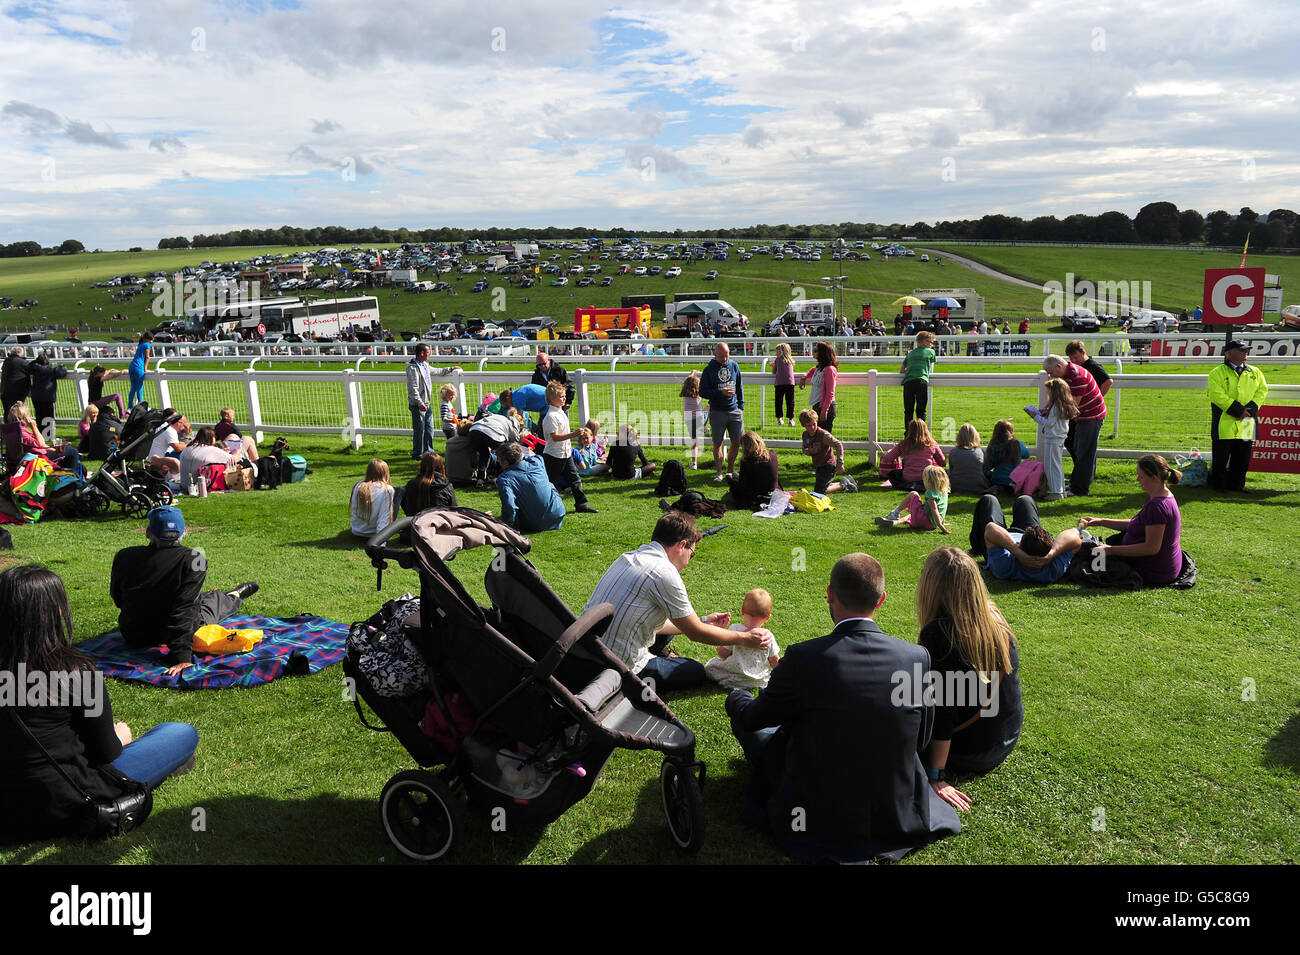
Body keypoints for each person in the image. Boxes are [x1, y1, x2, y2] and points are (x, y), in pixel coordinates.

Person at [725, 553, 961, 862]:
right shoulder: (915, 657)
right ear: (881, 600)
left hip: (818, 808)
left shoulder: (804, 658)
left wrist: (736, 697)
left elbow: (756, 718)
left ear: (830, 595)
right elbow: (923, 735)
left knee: (759, 730)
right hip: (894, 805)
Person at [0, 565, 199, 842]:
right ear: (57, 611)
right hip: (71, 802)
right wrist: (120, 737)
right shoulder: (77, 673)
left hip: (7, 811)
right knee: (180, 733)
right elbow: (105, 753)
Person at [585, 511, 771, 692]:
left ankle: (657, 654)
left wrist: (704, 620)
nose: (689, 562)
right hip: (616, 666)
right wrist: (746, 639)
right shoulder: (664, 573)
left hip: (587, 650)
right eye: (691, 555)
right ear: (682, 545)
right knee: (695, 669)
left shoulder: (628, 557)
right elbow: (696, 633)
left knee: (672, 624)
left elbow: (680, 623)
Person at [916, 547, 1023, 801]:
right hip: (1006, 737)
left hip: (972, 752)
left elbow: (943, 713)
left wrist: (935, 776)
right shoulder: (993, 618)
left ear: (932, 587)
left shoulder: (939, 636)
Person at [110, 506, 260, 676]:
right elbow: (185, 607)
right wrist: (181, 656)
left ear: (148, 532)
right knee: (211, 604)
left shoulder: (124, 556)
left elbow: (118, 598)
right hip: (167, 633)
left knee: (200, 599)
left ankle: (225, 596)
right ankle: (234, 595)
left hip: (134, 634)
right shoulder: (194, 558)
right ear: (183, 533)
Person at [1079, 455, 1184, 586]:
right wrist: (1101, 521)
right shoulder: (1164, 496)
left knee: (1087, 560)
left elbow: (1151, 548)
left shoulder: (1157, 506)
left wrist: (1111, 550)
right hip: (1164, 567)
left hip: (1156, 571)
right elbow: (1138, 524)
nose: (1137, 479)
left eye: (1141, 476)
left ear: (1154, 478)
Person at [970, 493, 1082, 582]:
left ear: (1020, 544)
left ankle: (976, 548)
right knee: (1025, 500)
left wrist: (1017, 552)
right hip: (1030, 537)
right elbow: (1075, 534)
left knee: (989, 500)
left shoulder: (1005, 566)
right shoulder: (1052, 570)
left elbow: (990, 529)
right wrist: (1052, 553)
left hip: (999, 540)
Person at [1207, 340, 1268, 493]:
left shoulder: (1255, 371)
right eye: (1242, 350)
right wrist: (1238, 411)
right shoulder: (1217, 372)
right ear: (1229, 353)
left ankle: (1237, 485)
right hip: (1225, 420)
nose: (1245, 352)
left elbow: (1262, 390)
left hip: (1248, 419)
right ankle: (1218, 485)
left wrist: (1252, 408)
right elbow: (1216, 396)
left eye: (1246, 350)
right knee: (1221, 455)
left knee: (1243, 456)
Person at [1043, 354, 1105, 495]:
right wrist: (1047, 409)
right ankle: (1078, 483)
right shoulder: (1066, 375)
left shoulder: (1077, 377)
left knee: (1084, 453)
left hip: (1091, 415)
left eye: (1051, 373)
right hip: (1082, 415)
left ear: (1059, 367)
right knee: (1078, 449)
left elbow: (1071, 406)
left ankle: (1079, 489)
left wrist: (1049, 414)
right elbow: (1059, 397)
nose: (1051, 377)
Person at [705, 587, 781, 690]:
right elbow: (774, 661)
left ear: (742, 611)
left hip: (733, 679)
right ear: (767, 617)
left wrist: (721, 645)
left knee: (710, 666)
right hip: (759, 681)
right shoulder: (768, 636)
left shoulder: (735, 629)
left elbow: (723, 653)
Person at [541, 380, 597, 514]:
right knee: (550, 482)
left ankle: (582, 504)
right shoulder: (550, 416)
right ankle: (546, 507)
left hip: (566, 453)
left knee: (575, 479)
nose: (564, 398)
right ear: (552, 399)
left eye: (564, 395)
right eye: (561, 396)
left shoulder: (561, 412)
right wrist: (573, 434)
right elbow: (554, 437)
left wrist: (574, 434)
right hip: (554, 455)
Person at [1024, 378, 1078, 501]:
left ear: (1054, 392)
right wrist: (1045, 412)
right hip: (1058, 437)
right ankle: (1061, 490)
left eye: (1049, 391)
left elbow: (1049, 423)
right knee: (1056, 465)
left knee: (1051, 466)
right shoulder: (1063, 404)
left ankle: (1056, 492)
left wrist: (1035, 416)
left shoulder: (1056, 406)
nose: (1048, 393)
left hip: (1053, 437)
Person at [494, 442, 565, 532]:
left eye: (499, 460)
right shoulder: (537, 461)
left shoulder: (505, 478)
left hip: (534, 524)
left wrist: (506, 527)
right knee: (550, 485)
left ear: (505, 461)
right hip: (557, 515)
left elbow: (509, 505)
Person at [405, 343, 459, 460]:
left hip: (426, 403)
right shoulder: (413, 368)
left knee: (429, 428)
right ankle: (418, 454)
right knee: (420, 430)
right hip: (418, 404)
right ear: (422, 353)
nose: (430, 354)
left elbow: (437, 371)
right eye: (428, 352)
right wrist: (420, 403)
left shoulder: (424, 365)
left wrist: (451, 369)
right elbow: (412, 388)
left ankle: (429, 452)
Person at [700, 342, 744, 482]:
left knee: (736, 442)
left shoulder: (734, 365)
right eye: (721, 356)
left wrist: (740, 407)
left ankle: (730, 471)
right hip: (717, 411)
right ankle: (719, 472)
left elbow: (739, 386)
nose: (724, 359)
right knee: (717, 442)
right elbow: (702, 392)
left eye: (726, 356)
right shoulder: (708, 370)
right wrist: (720, 392)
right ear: (715, 354)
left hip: (734, 410)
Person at [1063, 340, 1111, 462]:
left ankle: (1083, 471)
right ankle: (1079, 468)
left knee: (1084, 445)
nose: (1073, 361)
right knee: (1069, 440)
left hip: (1089, 413)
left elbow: (1108, 381)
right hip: (1077, 411)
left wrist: (1096, 398)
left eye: (1075, 357)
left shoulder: (1093, 366)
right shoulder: (1076, 368)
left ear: (1083, 352)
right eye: (1071, 358)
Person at [876, 464, 951, 533]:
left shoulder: (930, 493)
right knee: (910, 515)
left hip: (923, 521)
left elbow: (934, 509)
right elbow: (942, 509)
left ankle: (895, 513)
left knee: (913, 494)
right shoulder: (944, 493)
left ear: (929, 481)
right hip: (931, 526)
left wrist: (941, 526)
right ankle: (894, 522)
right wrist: (941, 522)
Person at [6, 402, 80, 471]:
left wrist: (49, 448)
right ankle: (72, 478)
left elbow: (36, 445)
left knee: (65, 453)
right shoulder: (22, 433)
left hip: (31, 456)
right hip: (37, 459)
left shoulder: (12, 430)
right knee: (72, 451)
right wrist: (34, 427)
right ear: (24, 417)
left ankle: (73, 473)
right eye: (28, 415)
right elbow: (40, 444)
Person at [879, 418, 947, 491]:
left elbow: (887, 459)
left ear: (910, 430)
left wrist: (884, 455)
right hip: (927, 479)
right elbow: (943, 462)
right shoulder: (932, 444)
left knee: (894, 473)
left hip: (908, 478)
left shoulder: (904, 444)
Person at [467, 409, 523, 485]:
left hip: (474, 431)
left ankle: (480, 479)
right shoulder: (514, 423)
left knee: (484, 454)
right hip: (494, 434)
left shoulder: (497, 417)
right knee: (505, 456)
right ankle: (505, 478)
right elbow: (515, 441)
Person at [725, 430, 778, 510]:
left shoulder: (747, 461)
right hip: (773, 491)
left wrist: (729, 480)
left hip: (756, 494)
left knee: (732, 479)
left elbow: (743, 486)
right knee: (734, 474)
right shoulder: (772, 453)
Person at [178, 427, 244, 490]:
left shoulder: (187, 448)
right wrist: (239, 450)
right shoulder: (211, 450)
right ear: (211, 438)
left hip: (184, 485)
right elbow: (234, 459)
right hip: (200, 486)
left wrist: (222, 452)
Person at [799, 407, 847, 494]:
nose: (812, 427)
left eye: (814, 424)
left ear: (817, 421)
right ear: (804, 425)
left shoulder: (823, 435)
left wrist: (840, 463)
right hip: (819, 465)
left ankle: (843, 485)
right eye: (809, 425)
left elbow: (838, 444)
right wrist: (809, 451)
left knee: (819, 492)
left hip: (828, 465)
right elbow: (804, 449)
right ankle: (842, 482)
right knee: (822, 485)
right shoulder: (805, 435)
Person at [349, 459, 398, 539]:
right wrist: (381, 541)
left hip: (356, 531)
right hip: (374, 534)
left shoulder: (358, 485)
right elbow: (383, 518)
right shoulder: (387, 489)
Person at [401, 451, 457, 516]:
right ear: (441, 467)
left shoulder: (411, 485)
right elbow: (454, 510)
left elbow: (407, 508)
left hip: (416, 523)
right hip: (440, 523)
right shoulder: (446, 485)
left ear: (422, 466)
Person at [799, 341, 839, 432]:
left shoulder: (829, 370)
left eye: (816, 350)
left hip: (825, 407)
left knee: (824, 438)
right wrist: (804, 377)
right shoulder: (819, 368)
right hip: (817, 406)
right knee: (817, 437)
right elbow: (812, 370)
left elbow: (830, 393)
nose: (813, 352)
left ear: (822, 353)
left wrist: (824, 411)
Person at [900, 330, 937, 425]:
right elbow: (932, 363)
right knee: (921, 411)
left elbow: (902, 370)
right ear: (924, 341)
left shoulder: (910, 353)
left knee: (908, 411)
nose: (932, 344)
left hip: (908, 383)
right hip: (921, 382)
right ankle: (921, 434)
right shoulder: (931, 351)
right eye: (931, 342)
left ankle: (908, 435)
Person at [27, 353, 68, 436]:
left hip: (36, 396)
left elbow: (30, 365)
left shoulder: (34, 368)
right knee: (49, 417)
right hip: (48, 397)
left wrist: (36, 361)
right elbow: (62, 371)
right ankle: (49, 435)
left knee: (39, 416)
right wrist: (62, 366)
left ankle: (40, 434)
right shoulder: (51, 370)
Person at [984, 419, 1028, 494]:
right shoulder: (1017, 444)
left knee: (989, 475)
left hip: (997, 479)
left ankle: (998, 488)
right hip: (1014, 479)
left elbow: (989, 465)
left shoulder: (993, 446)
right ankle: (1011, 488)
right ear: (1011, 431)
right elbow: (1026, 455)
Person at [948, 423, 992, 494]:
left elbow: (951, 470)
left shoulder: (953, 452)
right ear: (975, 436)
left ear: (959, 437)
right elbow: (985, 470)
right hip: (979, 485)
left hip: (955, 485)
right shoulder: (981, 452)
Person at [147, 409, 189, 478]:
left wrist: (184, 444)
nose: (178, 421)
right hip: (160, 462)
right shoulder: (169, 430)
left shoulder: (159, 425)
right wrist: (190, 444)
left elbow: (176, 444)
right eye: (176, 419)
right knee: (184, 454)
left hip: (151, 459)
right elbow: (178, 448)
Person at [680, 372, 704, 469]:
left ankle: (694, 463)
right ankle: (703, 427)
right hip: (699, 419)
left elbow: (689, 380)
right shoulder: (699, 395)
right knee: (708, 409)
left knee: (694, 442)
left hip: (688, 419)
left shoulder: (685, 395)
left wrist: (692, 373)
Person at [0, 348, 30, 417]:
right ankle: (17, 427)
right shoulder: (23, 362)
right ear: (21, 353)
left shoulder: (6, 361)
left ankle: (7, 426)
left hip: (5, 391)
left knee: (7, 412)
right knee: (18, 412)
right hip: (18, 392)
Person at [771, 342, 795, 426]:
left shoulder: (777, 360)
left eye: (777, 351)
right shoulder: (791, 361)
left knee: (778, 402)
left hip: (779, 384)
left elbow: (774, 371)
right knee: (790, 402)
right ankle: (790, 419)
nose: (776, 353)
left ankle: (779, 419)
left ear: (782, 352)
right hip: (790, 383)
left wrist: (773, 366)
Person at [127, 332, 152, 408]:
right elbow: (147, 357)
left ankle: (130, 407)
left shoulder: (140, 345)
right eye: (151, 339)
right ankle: (141, 407)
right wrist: (145, 368)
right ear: (147, 339)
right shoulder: (147, 345)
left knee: (133, 388)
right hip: (138, 367)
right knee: (139, 388)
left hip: (131, 366)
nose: (152, 341)